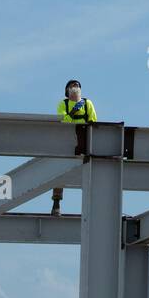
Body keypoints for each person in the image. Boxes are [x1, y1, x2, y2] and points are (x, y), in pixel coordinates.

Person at [51, 79, 97, 214]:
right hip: (67, 142)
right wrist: (72, 113)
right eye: (72, 86)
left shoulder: (87, 103)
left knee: (89, 172)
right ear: (67, 90)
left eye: (77, 86)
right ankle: (56, 201)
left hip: (84, 141)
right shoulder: (63, 104)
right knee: (59, 172)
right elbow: (63, 120)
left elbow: (93, 120)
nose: (75, 87)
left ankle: (91, 207)